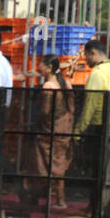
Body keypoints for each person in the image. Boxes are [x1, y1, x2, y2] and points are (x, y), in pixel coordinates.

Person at [30, 54, 74, 210]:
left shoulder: (49, 87)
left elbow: (45, 111)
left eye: (40, 65)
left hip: (50, 131)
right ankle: (58, 199)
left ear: (49, 67)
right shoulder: (66, 84)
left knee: (47, 166)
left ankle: (53, 200)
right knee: (58, 164)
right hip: (64, 130)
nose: (38, 68)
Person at [74, 39, 110, 138]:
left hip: (98, 125)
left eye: (86, 55)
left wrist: (78, 131)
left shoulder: (97, 73)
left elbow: (90, 104)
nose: (85, 59)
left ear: (93, 52)